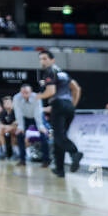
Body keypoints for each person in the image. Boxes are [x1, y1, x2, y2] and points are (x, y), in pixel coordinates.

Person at [38, 49, 82, 179]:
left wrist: (37, 97)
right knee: (60, 138)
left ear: (52, 60)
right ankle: (60, 169)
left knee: (57, 137)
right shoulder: (64, 74)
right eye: (41, 59)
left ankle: (75, 153)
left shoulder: (49, 71)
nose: (42, 61)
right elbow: (77, 88)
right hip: (68, 106)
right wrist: (72, 105)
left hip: (58, 105)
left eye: (45, 58)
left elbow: (50, 91)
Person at [10, 84, 48, 167]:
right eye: (22, 92)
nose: (24, 94)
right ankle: (22, 160)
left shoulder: (36, 97)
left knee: (44, 135)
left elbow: (37, 112)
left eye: (26, 92)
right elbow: (18, 112)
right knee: (20, 134)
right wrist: (20, 127)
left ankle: (46, 161)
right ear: (20, 92)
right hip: (24, 117)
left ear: (31, 92)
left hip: (37, 117)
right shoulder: (16, 98)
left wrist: (40, 126)